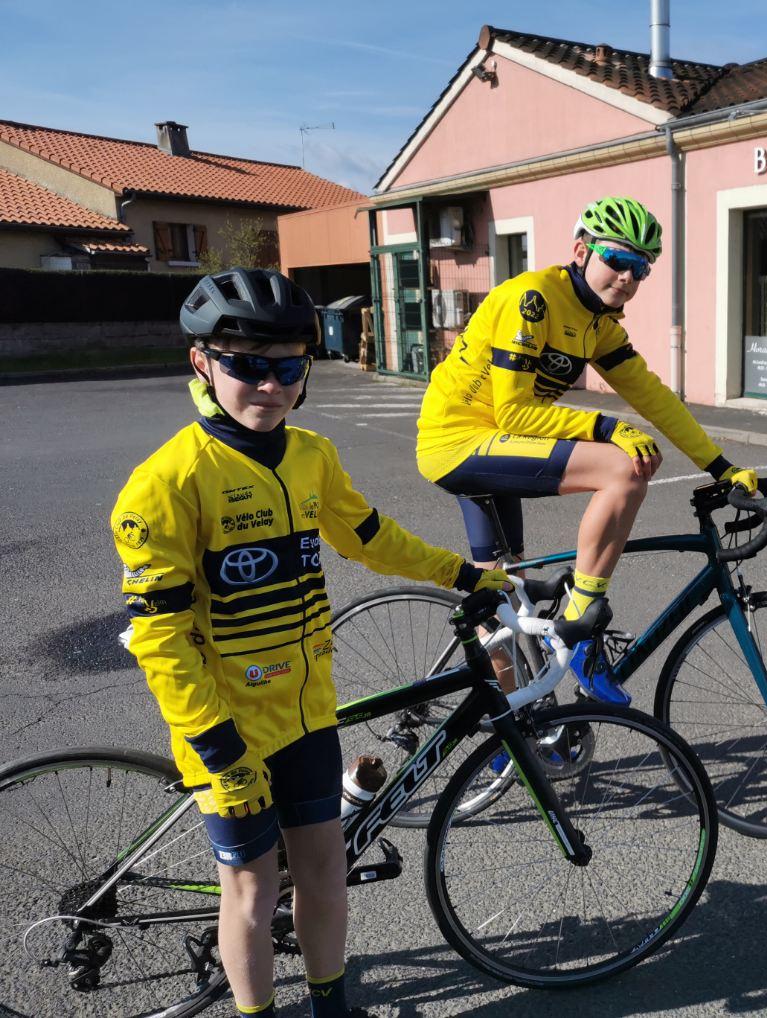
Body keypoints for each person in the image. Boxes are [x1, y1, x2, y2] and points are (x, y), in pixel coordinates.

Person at [111, 268, 507, 1018]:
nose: (270, 386)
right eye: (247, 366)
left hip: (306, 713)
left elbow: (370, 538)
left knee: (324, 873)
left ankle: (331, 1008)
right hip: (226, 729)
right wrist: (218, 748)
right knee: (253, 890)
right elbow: (160, 638)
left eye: (289, 368)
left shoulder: (311, 456)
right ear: (202, 363)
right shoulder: (167, 482)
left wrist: (462, 574)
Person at [415, 196, 757, 704]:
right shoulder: (533, 299)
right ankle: (580, 627)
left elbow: (656, 398)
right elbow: (514, 413)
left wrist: (722, 467)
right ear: (582, 251)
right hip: (459, 441)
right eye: (617, 259)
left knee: (503, 591)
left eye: (641, 268)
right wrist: (607, 427)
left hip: (493, 443)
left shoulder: (598, 325)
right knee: (624, 469)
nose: (627, 276)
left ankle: (510, 723)